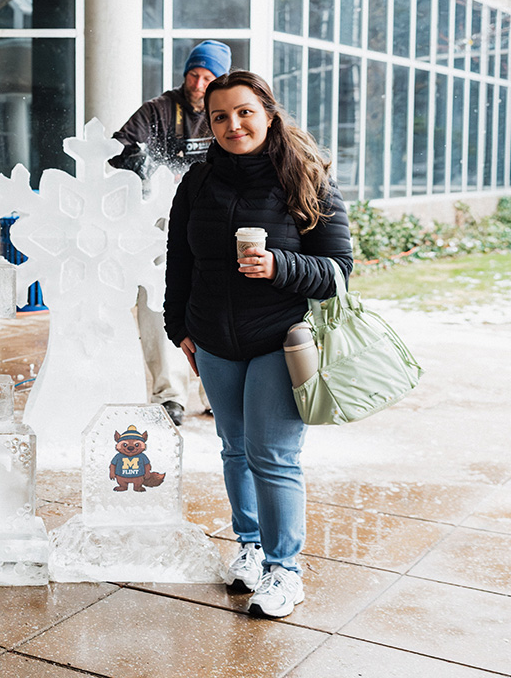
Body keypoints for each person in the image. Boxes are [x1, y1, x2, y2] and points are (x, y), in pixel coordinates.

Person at [163, 70, 352, 619]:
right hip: (215, 340)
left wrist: (278, 266)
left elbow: (339, 271)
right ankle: (248, 547)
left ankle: (284, 571)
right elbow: (180, 262)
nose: (232, 124)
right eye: (219, 116)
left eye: (244, 111)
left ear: (268, 113)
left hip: (279, 338)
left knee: (272, 456)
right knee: (234, 449)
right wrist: (181, 328)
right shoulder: (197, 181)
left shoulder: (307, 177)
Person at [109, 40, 232, 425]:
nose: (198, 84)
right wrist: (140, 164)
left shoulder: (227, 110)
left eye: (207, 77)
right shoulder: (160, 109)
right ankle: (169, 394)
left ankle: (215, 391)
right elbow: (117, 147)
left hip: (216, 218)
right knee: (159, 301)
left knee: (216, 301)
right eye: (193, 75)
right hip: (162, 223)